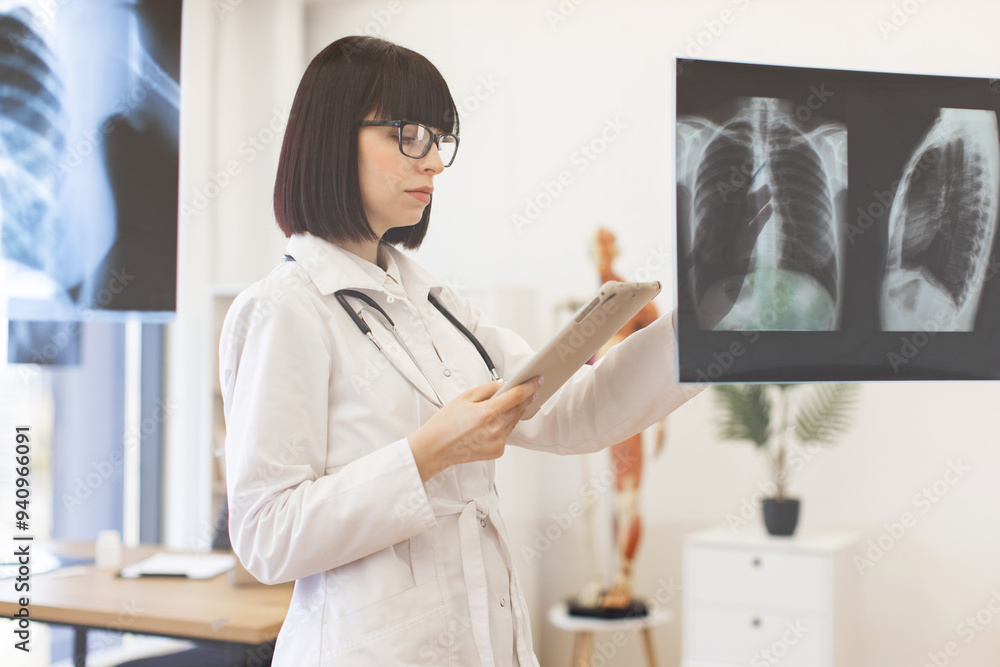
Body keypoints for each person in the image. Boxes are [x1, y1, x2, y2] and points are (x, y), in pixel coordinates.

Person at [219, 35, 699, 666]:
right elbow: (266, 535)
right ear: (335, 135)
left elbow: (576, 410)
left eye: (438, 139)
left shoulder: (439, 304)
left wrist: (707, 328)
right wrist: (424, 456)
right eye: (408, 134)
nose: (434, 163)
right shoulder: (284, 309)